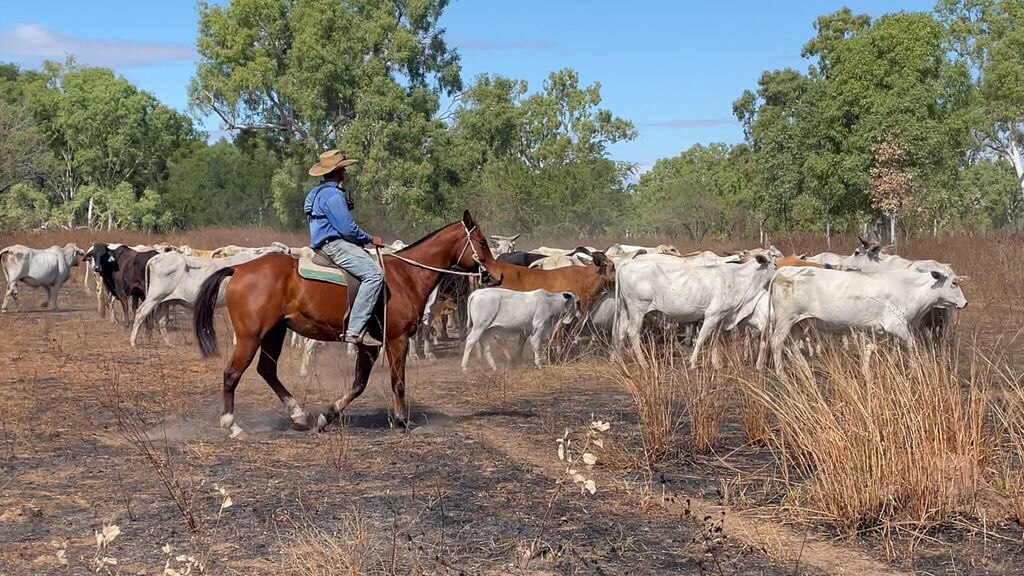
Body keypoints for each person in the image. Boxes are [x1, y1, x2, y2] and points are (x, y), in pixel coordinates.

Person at [304, 150, 385, 346]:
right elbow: (347, 229)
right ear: (339, 171)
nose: (345, 173)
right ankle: (355, 330)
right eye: (344, 169)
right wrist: (369, 239)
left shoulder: (314, 193)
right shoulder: (333, 195)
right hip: (335, 246)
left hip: (320, 245)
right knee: (375, 275)